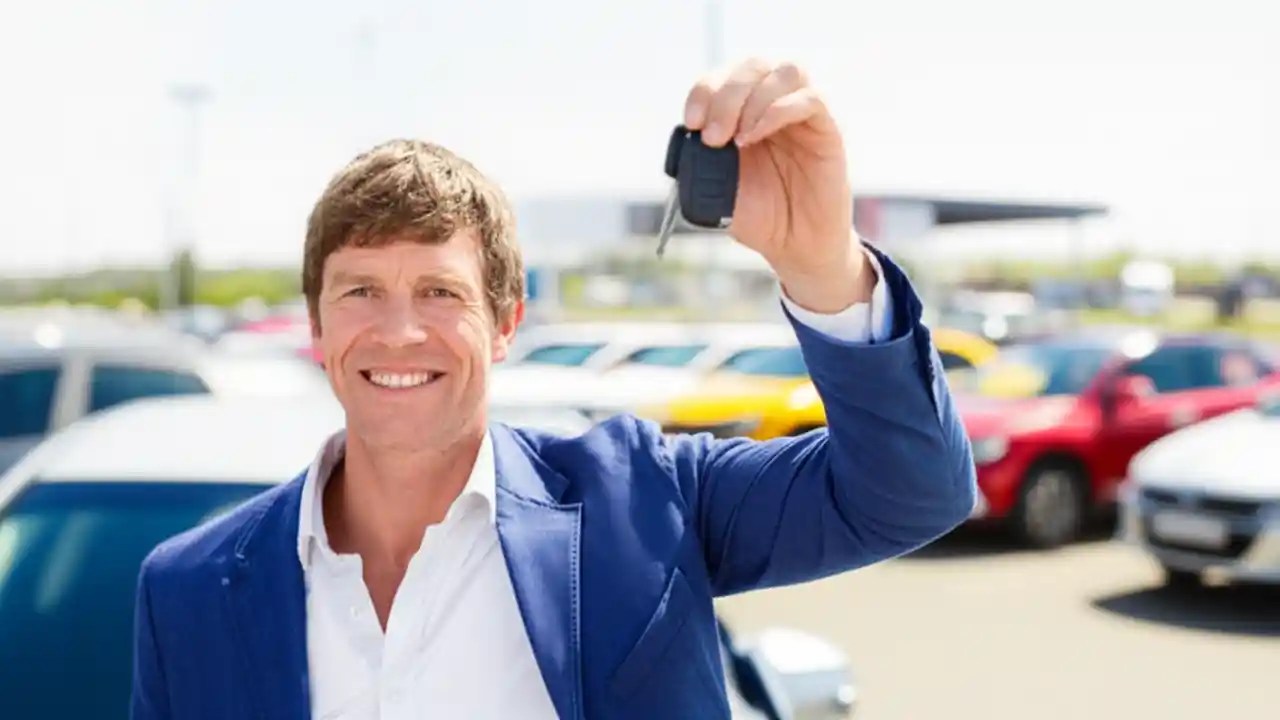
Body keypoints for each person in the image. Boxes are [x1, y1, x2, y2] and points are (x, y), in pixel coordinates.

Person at [130, 58, 976, 720]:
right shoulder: (189, 591)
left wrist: (823, 264)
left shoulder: (644, 504)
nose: (396, 331)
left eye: (439, 291)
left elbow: (910, 494)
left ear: (505, 321)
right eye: (360, 292)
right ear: (317, 326)